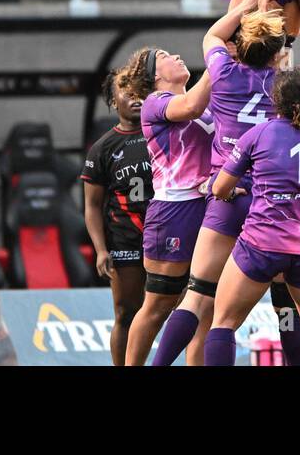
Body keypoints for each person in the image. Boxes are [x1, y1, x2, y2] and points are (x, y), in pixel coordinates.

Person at [150, 0, 300, 366]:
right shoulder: (285, 85)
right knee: (291, 304)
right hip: (273, 200)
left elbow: (212, 35)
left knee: (199, 296)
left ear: (240, 47)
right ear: (279, 54)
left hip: (228, 194)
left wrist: (244, 5)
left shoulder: (224, 72)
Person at [204, 67, 300, 366]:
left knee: (224, 321)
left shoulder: (259, 132)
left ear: (275, 99)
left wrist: (232, 192)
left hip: (262, 242)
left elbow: (219, 188)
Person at [120, 46, 213, 366]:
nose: (177, 56)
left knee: (205, 304)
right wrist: (220, 59)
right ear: (155, 76)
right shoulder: (154, 104)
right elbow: (189, 105)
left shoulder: (207, 101)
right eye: (166, 56)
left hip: (209, 205)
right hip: (174, 210)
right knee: (160, 303)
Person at [82, 72, 154, 366]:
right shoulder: (102, 148)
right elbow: (92, 205)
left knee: (182, 307)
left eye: (140, 90)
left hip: (167, 234)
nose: (135, 97)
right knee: (126, 312)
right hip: (125, 239)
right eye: (125, 91)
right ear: (113, 101)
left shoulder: (163, 132)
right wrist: (100, 249)